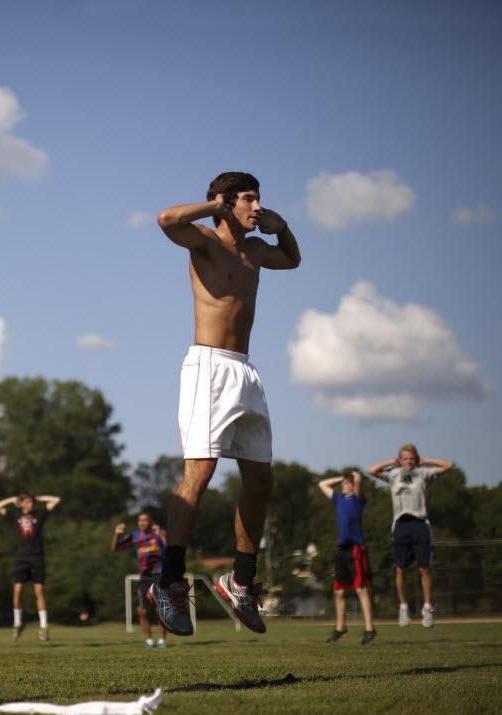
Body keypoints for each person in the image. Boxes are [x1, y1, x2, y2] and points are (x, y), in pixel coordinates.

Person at [153, 171, 301, 637]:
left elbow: (292, 260)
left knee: (260, 479)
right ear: (225, 201)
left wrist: (282, 228)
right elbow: (166, 219)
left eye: (259, 199)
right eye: (248, 199)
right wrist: (214, 208)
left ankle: (240, 580)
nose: (256, 207)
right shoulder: (203, 241)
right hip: (209, 368)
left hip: (245, 371)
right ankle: (168, 582)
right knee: (200, 472)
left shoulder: (255, 250)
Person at [368, 444, 454, 628]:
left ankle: (427, 608)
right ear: (400, 460)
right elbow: (371, 470)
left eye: (412, 458)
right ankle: (403, 607)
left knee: (424, 568)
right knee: (400, 568)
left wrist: (426, 460)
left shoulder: (424, 473)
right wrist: (392, 462)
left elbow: (448, 465)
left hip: (420, 523)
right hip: (401, 524)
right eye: (405, 458)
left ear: (416, 459)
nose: (408, 462)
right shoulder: (394, 474)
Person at [0, 493, 61, 641]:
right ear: (21, 504)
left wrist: (38, 498)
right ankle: (17, 624)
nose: (30, 504)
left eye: (31, 502)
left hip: (37, 557)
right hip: (21, 557)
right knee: (18, 590)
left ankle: (44, 626)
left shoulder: (40, 514)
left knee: (39, 590)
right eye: (27, 502)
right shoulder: (15, 515)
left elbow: (56, 500)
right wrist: (12, 499)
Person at [318, 471, 375, 644]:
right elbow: (322, 484)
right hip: (342, 550)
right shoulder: (338, 499)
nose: (343, 485)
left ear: (353, 485)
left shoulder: (357, 499)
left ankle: (369, 628)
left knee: (360, 589)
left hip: (356, 548)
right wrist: (340, 478)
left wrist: (351, 477)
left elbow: (358, 476)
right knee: (339, 591)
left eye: (346, 483)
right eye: (343, 483)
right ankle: (340, 627)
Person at [111, 512, 168, 649]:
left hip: (160, 574)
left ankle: (161, 640)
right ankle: (149, 641)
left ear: (151, 522)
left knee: (161, 609)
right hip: (145, 576)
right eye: (140, 520)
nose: (142, 523)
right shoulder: (135, 536)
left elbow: (171, 549)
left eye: (145, 520)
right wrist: (117, 534)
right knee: (142, 610)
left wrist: (161, 535)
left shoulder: (160, 533)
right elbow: (115, 548)